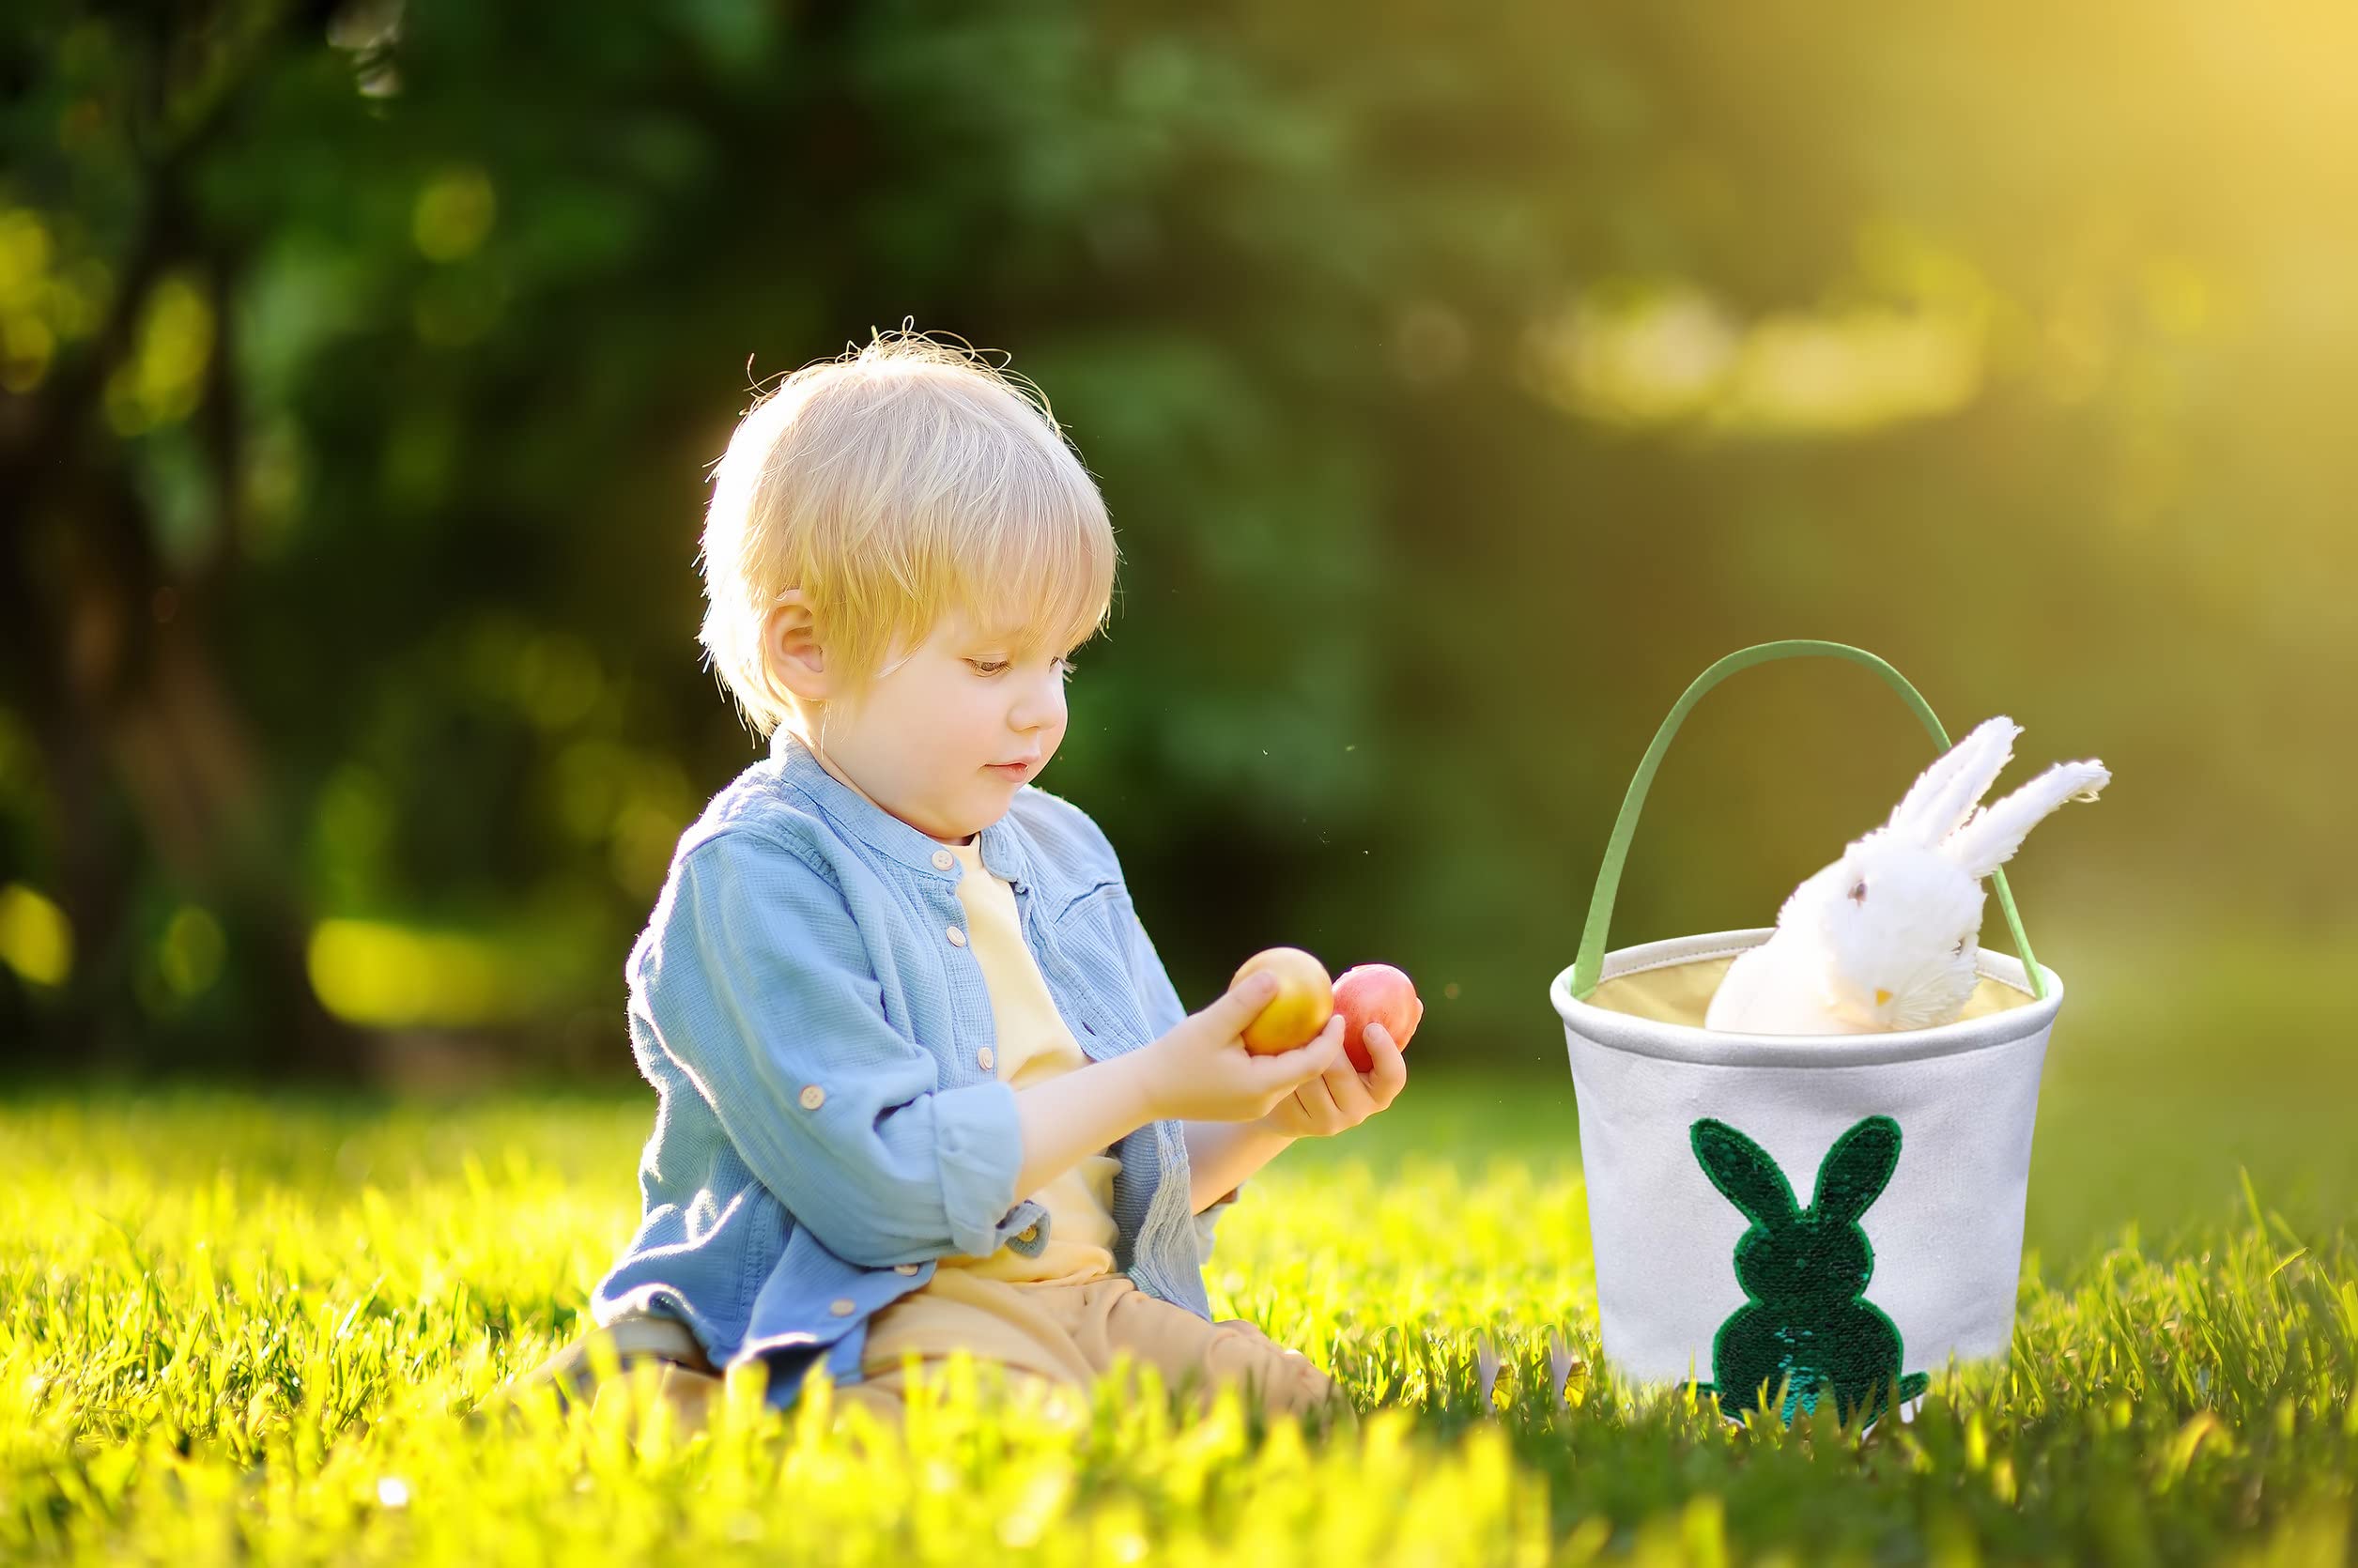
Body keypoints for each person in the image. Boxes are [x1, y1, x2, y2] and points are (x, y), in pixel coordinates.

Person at [512, 330, 1407, 1440]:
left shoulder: (1064, 853)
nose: (1043, 707)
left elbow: (1137, 1153)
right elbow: (881, 1188)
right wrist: (1157, 1078)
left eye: (1061, 660)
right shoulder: (761, 874)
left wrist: (1274, 1112)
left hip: (1088, 1305)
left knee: (1312, 1420)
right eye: (993, 663)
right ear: (808, 650)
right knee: (993, 1440)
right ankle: (687, 1388)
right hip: (891, 1313)